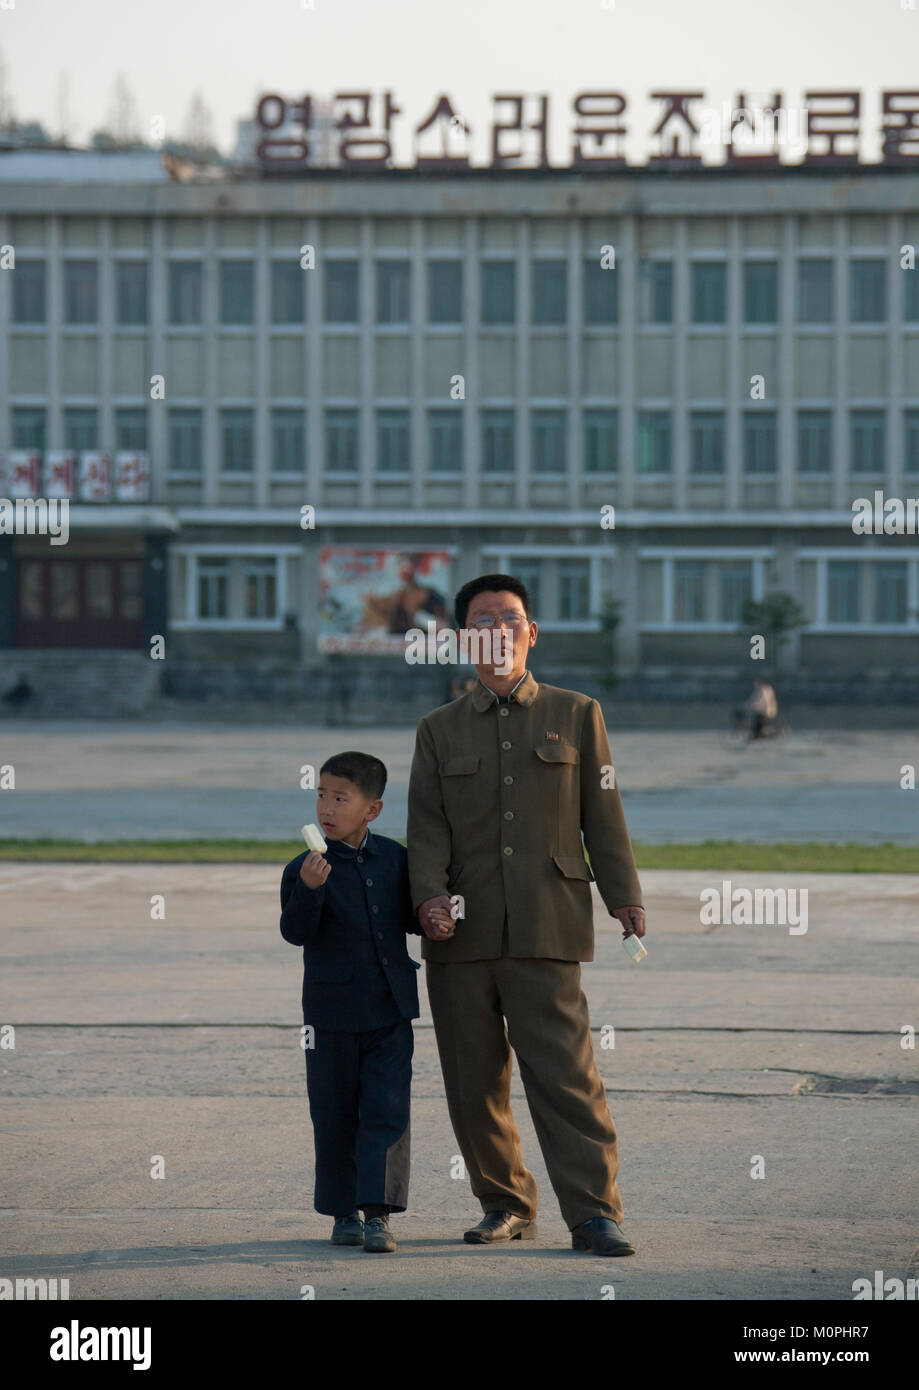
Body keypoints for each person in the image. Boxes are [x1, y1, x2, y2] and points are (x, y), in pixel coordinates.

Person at [407, 574, 646, 1256]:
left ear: (530, 633)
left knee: (567, 1077)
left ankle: (594, 1212)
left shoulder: (576, 713)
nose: (499, 631)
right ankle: (504, 1202)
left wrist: (622, 894)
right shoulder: (436, 730)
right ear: (461, 639)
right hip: (461, 931)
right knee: (473, 1081)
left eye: (510, 619)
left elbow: (602, 815)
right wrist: (428, 899)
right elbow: (425, 828)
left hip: (549, 923)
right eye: (483, 620)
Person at [279, 751, 422, 1253]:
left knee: (386, 1110)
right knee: (334, 1112)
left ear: (372, 810)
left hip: (390, 1009)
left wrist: (439, 918)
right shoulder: (304, 868)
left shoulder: (395, 858)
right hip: (330, 1017)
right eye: (321, 795)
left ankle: (378, 1215)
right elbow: (295, 933)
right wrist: (311, 890)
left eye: (341, 798)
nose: (327, 807)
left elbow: (410, 917)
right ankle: (343, 1213)